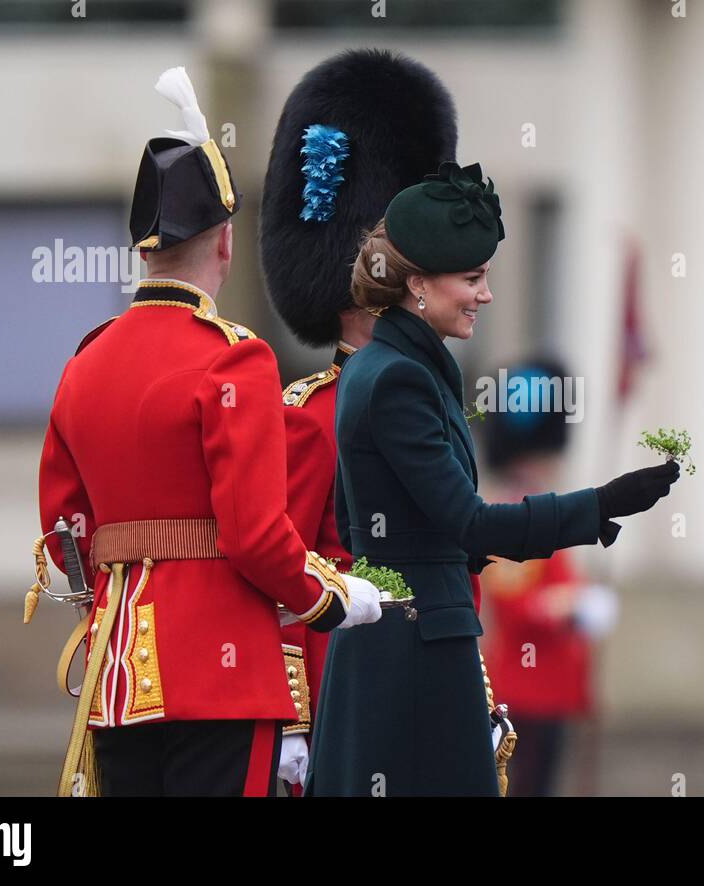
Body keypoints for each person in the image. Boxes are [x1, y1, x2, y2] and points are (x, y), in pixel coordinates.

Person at [37, 67, 379, 798]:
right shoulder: (234, 356)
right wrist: (333, 597)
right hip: (221, 678)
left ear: (143, 248)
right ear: (223, 243)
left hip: (118, 677)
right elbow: (256, 533)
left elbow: (66, 534)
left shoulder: (84, 364)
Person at [308, 161, 680, 796]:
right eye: (472, 278)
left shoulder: (392, 367)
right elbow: (469, 522)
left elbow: (377, 524)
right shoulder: (399, 377)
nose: (485, 294)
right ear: (419, 284)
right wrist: (597, 506)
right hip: (416, 651)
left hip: (403, 641)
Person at [258, 48, 459, 791]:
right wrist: (292, 721)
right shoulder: (310, 418)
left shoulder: (430, 402)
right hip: (342, 693)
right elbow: (280, 577)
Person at [478, 359, 619, 797]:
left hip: (553, 689)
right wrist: (577, 606)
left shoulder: (540, 516)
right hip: (526, 693)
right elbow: (518, 601)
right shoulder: (513, 514)